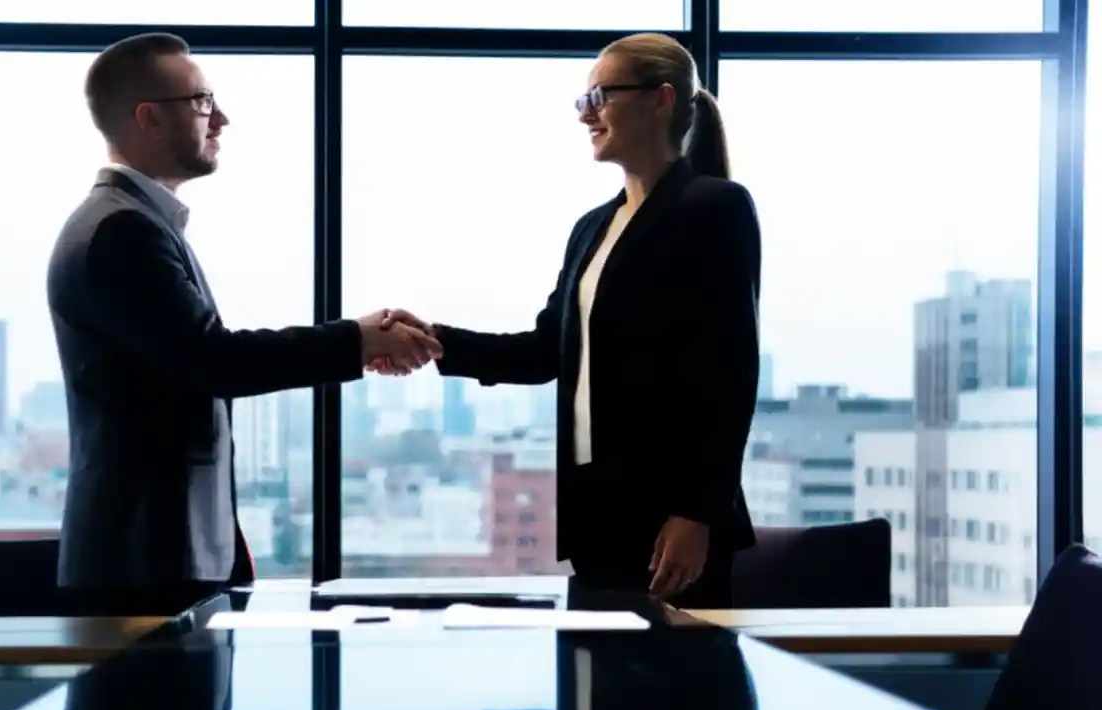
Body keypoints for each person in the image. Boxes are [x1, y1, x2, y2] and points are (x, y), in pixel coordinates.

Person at [47, 32, 441, 616]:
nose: (221, 119)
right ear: (149, 119)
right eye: (202, 102)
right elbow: (215, 361)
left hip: (156, 554)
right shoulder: (120, 232)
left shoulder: (134, 224)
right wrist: (356, 339)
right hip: (143, 561)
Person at [373, 32, 760, 607]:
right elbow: (544, 351)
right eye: (583, 102)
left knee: (685, 693)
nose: (587, 116)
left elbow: (729, 372)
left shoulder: (715, 207)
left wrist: (697, 512)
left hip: (670, 520)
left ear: (661, 100)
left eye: (601, 97)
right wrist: (433, 341)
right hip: (597, 514)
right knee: (594, 692)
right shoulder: (592, 228)